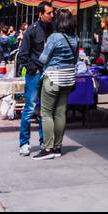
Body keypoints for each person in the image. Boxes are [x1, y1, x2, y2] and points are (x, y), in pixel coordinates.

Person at [36, 9, 79, 160]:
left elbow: (43, 58)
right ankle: (57, 147)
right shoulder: (75, 38)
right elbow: (75, 60)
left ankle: (47, 149)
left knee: (46, 113)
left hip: (53, 78)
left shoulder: (54, 37)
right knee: (60, 113)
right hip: (68, 79)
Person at [15, 1, 55, 158]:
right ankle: (24, 143)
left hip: (49, 73)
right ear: (40, 14)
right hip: (35, 74)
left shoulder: (53, 30)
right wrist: (34, 68)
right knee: (30, 108)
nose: (52, 15)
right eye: (49, 13)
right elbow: (22, 54)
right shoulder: (31, 31)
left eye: (52, 13)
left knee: (44, 110)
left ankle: (44, 142)